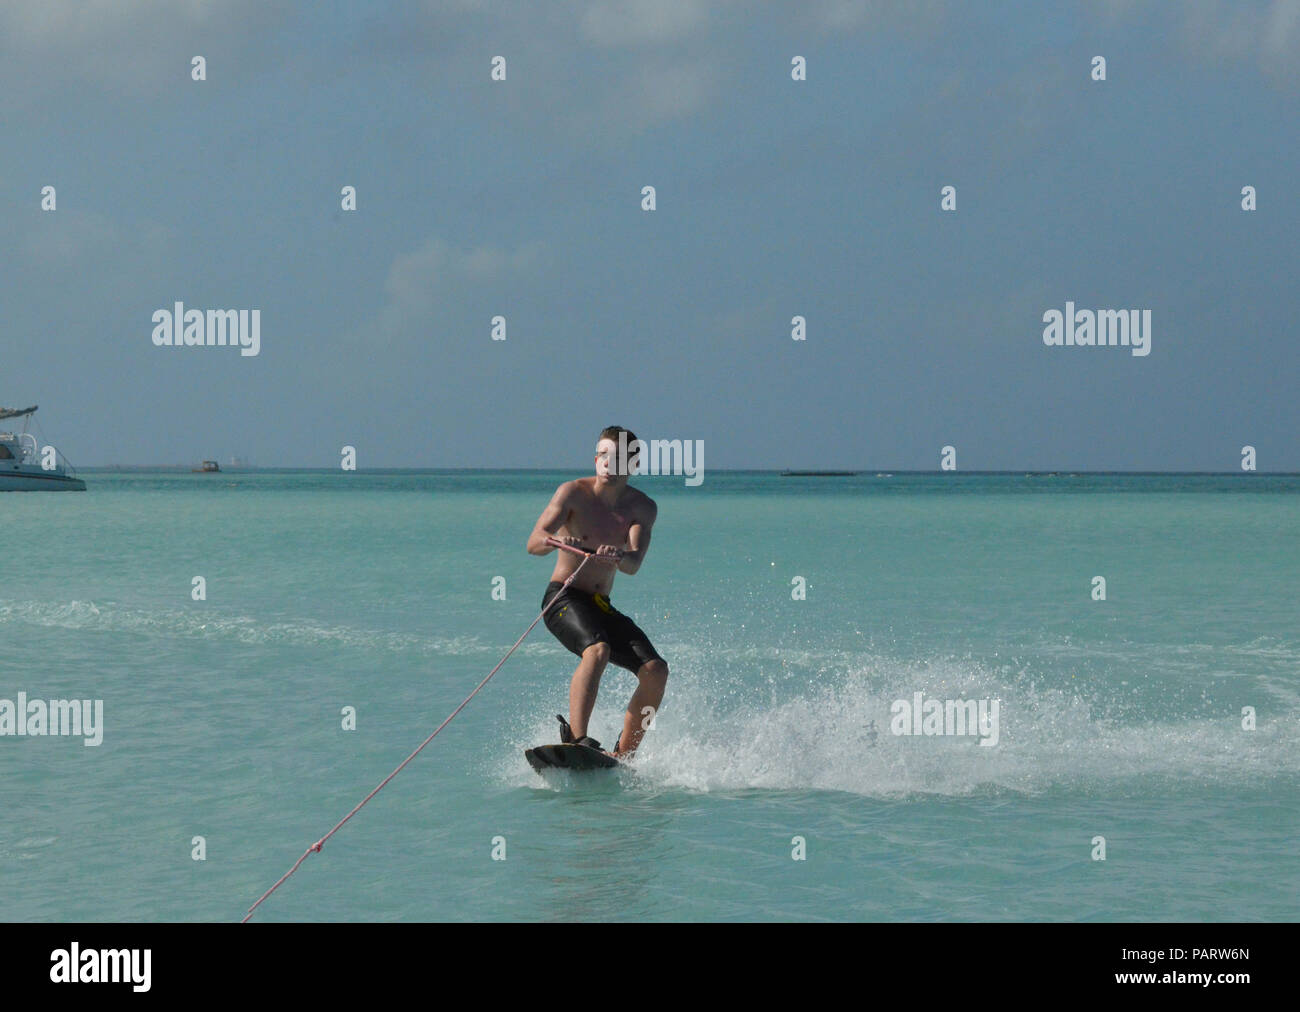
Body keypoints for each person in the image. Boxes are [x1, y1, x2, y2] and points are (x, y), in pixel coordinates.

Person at [526, 426, 667, 758]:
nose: (605, 462)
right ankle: (577, 739)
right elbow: (532, 543)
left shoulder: (642, 508)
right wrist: (558, 541)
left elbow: (633, 565)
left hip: (600, 603)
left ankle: (624, 754)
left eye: (615, 457)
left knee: (656, 671)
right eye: (601, 454)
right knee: (598, 649)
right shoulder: (572, 493)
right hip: (563, 597)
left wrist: (619, 556)